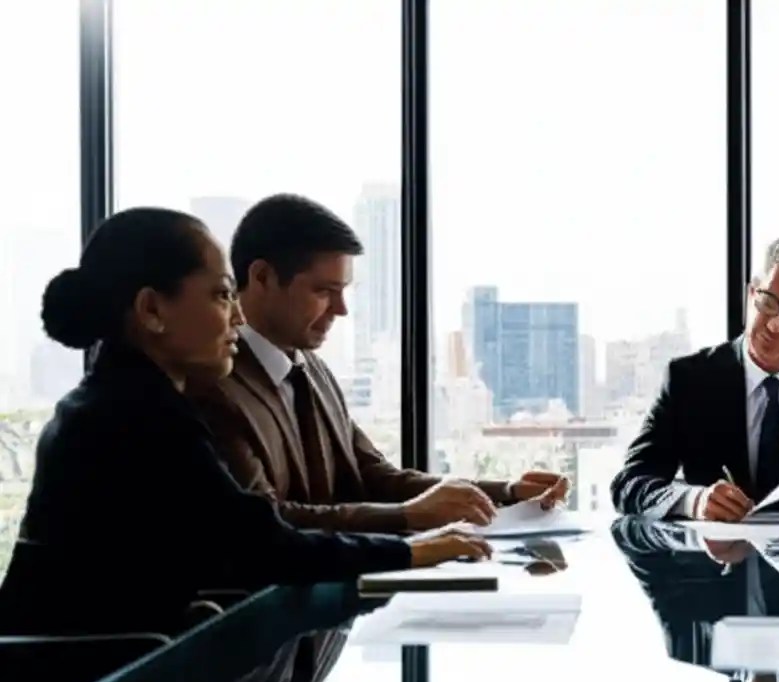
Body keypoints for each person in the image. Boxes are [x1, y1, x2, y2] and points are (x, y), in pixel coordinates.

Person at [0, 208, 490, 637]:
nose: (237, 317)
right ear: (152, 310)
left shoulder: (124, 403)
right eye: (220, 295)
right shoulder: (135, 419)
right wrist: (412, 551)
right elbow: (264, 545)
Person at [188, 194, 567, 534]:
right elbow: (267, 522)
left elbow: (373, 477)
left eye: (343, 291)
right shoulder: (215, 386)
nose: (341, 310)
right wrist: (405, 517)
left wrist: (507, 493)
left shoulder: (312, 370)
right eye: (324, 291)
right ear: (262, 277)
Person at [611, 235, 779, 520]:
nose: (775, 325)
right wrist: (694, 500)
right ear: (752, 293)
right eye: (769, 302)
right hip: (714, 560)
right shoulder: (689, 379)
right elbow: (629, 484)